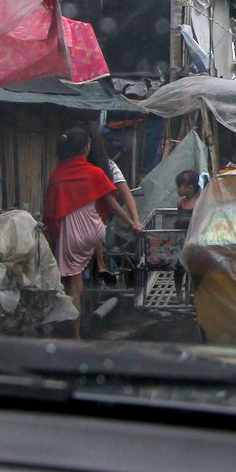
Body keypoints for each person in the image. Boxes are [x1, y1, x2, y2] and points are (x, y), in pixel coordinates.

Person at [43, 127, 141, 338]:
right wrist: (132, 223)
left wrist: (51, 235)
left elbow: (50, 210)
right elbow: (113, 205)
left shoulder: (57, 175)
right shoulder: (96, 172)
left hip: (72, 234)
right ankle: (101, 263)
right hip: (95, 230)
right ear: (85, 148)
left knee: (74, 287)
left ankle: (76, 335)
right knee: (92, 236)